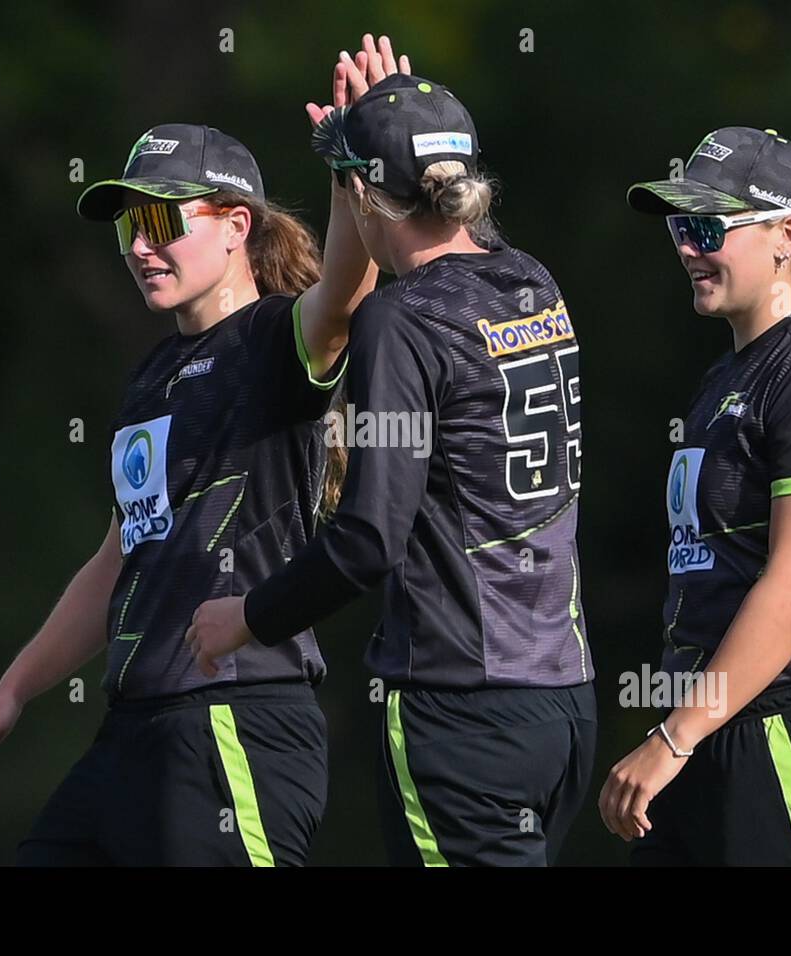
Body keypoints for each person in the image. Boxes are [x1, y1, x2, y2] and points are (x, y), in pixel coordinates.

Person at [0, 44, 394, 864]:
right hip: (132, 729)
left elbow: (346, 290)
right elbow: (121, 553)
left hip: (234, 721)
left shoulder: (273, 338)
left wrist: (354, 161)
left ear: (235, 226)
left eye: (159, 220)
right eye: (128, 224)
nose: (137, 246)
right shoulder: (151, 375)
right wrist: (14, 689)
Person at [186, 67, 596, 866]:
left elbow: (368, 538)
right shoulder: (531, 280)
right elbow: (447, 235)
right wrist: (388, 131)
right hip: (564, 704)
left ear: (366, 198)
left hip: (462, 707)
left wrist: (249, 616)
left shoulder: (400, 321)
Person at [599, 127, 791, 866]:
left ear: (786, 236)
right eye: (680, 226)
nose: (686, 248)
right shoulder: (728, 377)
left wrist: (675, 736)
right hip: (716, 729)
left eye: (708, 227)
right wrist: (682, 731)